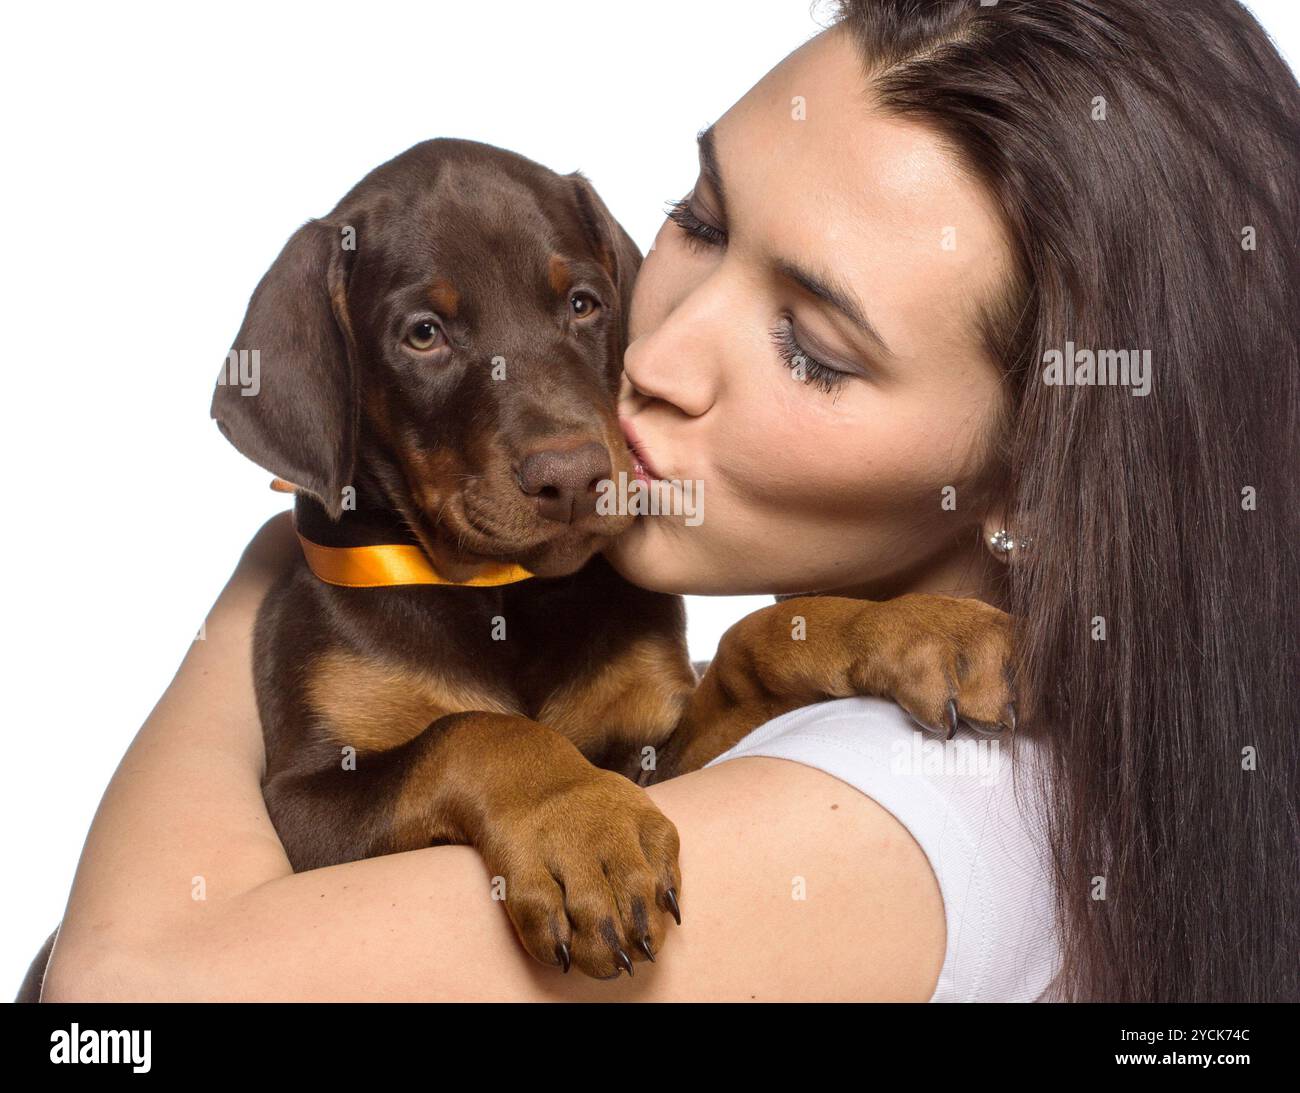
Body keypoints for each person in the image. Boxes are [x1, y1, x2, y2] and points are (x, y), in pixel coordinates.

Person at [39, 0, 1298, 1002]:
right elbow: (657, 782)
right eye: (697, 222)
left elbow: (120, 1000)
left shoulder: (896, 825)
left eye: (811, 346)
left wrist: (269, 577)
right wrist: (775, 659)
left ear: (1048, 462)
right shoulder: (980, 755)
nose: (654, 358)